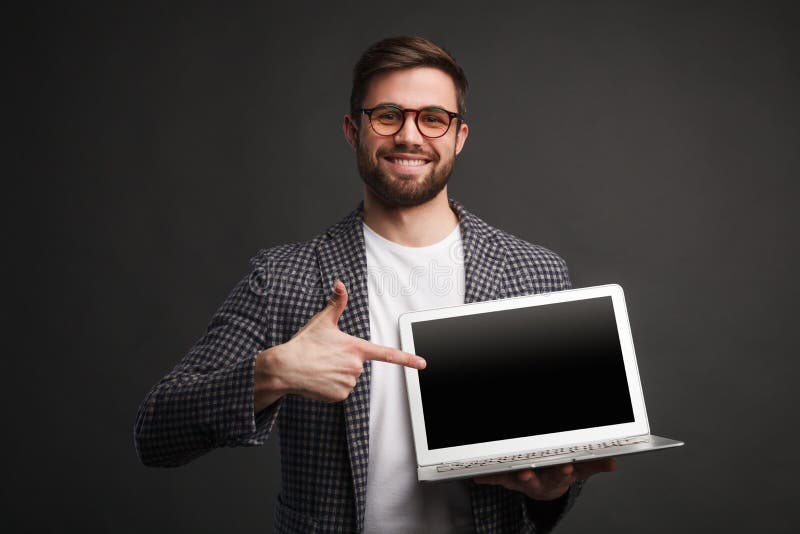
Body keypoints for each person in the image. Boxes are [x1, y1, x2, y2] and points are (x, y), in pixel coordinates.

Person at [135, 36, 616, 533]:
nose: (410, 136)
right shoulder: (285, 278)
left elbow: (560, 463)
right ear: (353, 129)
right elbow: (156, 434)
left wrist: (551, 488)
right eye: (388, 115)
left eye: (433, 118)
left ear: (460, 136)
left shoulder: (533, 274)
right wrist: (272, 373)